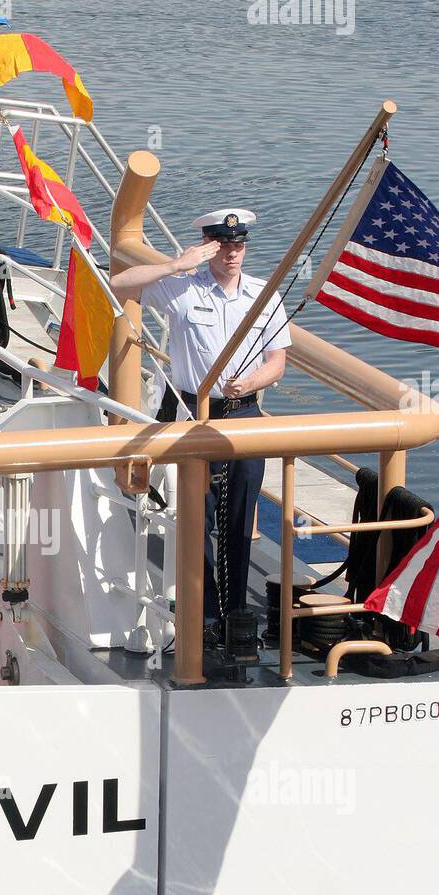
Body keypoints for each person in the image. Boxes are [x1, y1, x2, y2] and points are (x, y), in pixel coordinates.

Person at [110, 208, 292, 631]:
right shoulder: (182, 289)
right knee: (198, 517)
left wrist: (250, 383)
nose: (232, 253)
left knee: (240, 518)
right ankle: (206, 614)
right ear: (208, 246)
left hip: (244, 414)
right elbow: (120, 284)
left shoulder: (263, 295)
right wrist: (177, 264)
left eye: (238, 245)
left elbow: (277, 362)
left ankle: (236, 613)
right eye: (223, 245)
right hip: (195, 413)